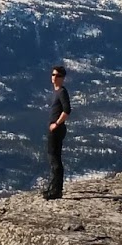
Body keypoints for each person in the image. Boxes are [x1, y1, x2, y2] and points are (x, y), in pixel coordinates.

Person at [44, 64, 70, 199]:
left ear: (63, 78)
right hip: (55, 129)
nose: (54, 77)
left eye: (58, 75)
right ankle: (53, 187)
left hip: (57, 130)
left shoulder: (62, 92)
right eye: (53, 74)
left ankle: (56, 190)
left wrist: (56, 124)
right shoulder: (57, 91)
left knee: (55, 159)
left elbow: (67, 111)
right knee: (53, 157)